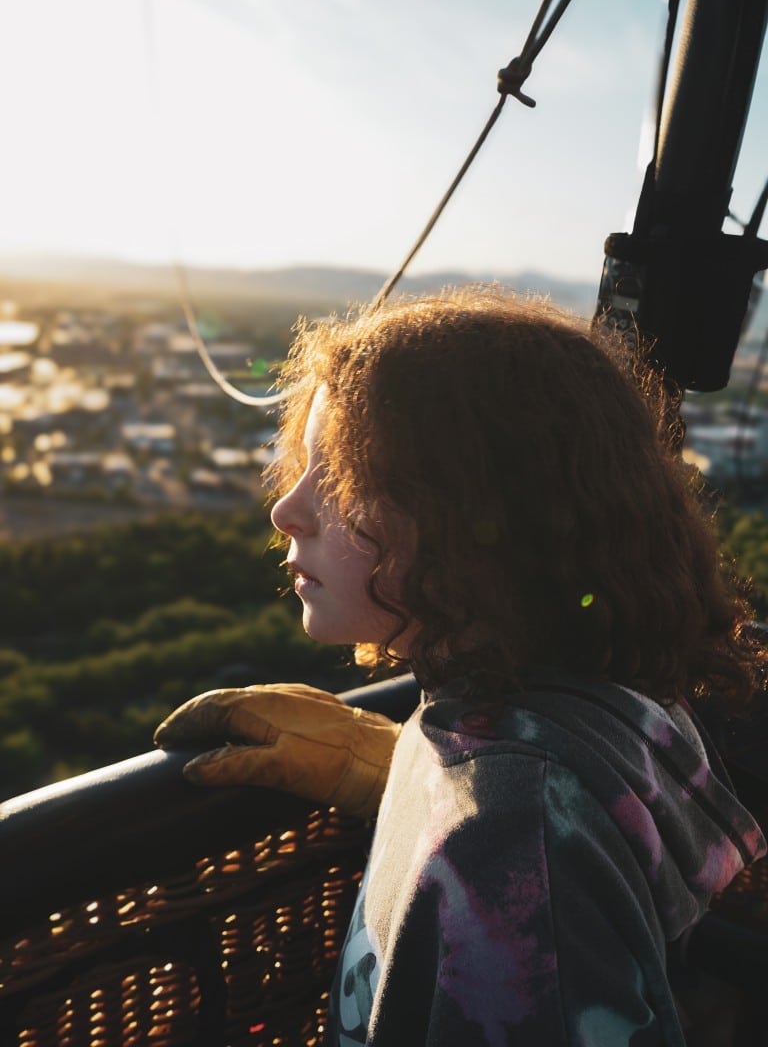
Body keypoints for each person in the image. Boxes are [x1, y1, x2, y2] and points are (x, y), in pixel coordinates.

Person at [155, 286, 766, 1047]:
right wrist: (407, 777)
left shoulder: (510, 834)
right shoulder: (573, 720)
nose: (289, 510)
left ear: (484, 522)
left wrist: (480, 816)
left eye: (345, 479)